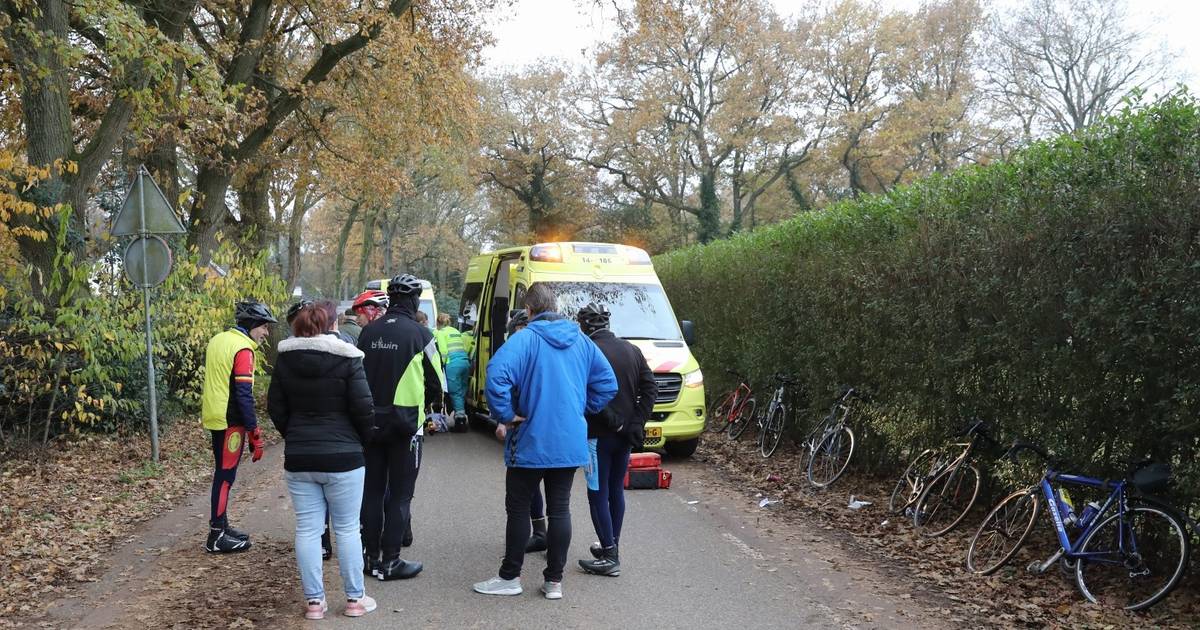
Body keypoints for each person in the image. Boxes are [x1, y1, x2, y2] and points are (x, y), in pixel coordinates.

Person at [473, 283, 617, 601]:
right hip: (569, 440)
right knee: (560, 509)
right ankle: (554, 581)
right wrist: (582, 406)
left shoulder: (524, 339)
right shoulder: (581, 340)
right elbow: (608, 384)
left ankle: (510, 577)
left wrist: (507, 415)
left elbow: (495, 374)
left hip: (531, 439)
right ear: (556, 306)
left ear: (529, 310)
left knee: (519, 509)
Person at [268, 300, 377, 620]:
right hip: (344, 456)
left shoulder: (285, 360)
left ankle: (315, 603)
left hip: (300, 457)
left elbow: (276, 407)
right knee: (346, 530)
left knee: (307, 530)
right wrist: (361, 440)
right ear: (331, 325)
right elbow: (364, 407)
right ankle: (355, 599)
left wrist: (296, 436)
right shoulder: (348, 359)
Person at [357, 274, 445, 581]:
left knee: (372, 491)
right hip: (407, 428)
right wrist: (421, 404)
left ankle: (370, 558)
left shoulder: (368, 334)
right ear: (414, 301)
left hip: (370, 425)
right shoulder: (422, 335)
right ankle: (392, 561)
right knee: (400, 496)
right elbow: (439, 384)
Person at [575, 303, 657, 577]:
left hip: (598, 436)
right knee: (615, 492)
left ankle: (609, 556)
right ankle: (612, 545)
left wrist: (614, 420)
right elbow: (650, 389)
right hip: (625, 438)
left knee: (596, 494)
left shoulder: (586, 351)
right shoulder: (632, 350)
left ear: (584, 326)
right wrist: (636, 422)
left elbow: (584, 393)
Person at [200, 300, 275, 553]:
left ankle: (221, 525)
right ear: (253, 325)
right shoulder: (243, 349)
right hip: (231, 420)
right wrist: (255, 433)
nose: (266, 333)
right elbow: (244, 394)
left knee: (222, 473)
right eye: (264, 327)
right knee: (225, 477)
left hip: (214, 415)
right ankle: (216, 536)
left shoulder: (218, 340)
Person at [434, 313, 471, 429]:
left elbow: (443, 351)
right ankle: (461, 413)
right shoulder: (455, 331)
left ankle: (460, 419)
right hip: (465, 362)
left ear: (438, 323)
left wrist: (442, 365)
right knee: (462, 390)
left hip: (452, 364)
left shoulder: (440, 333)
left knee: (455, 392)